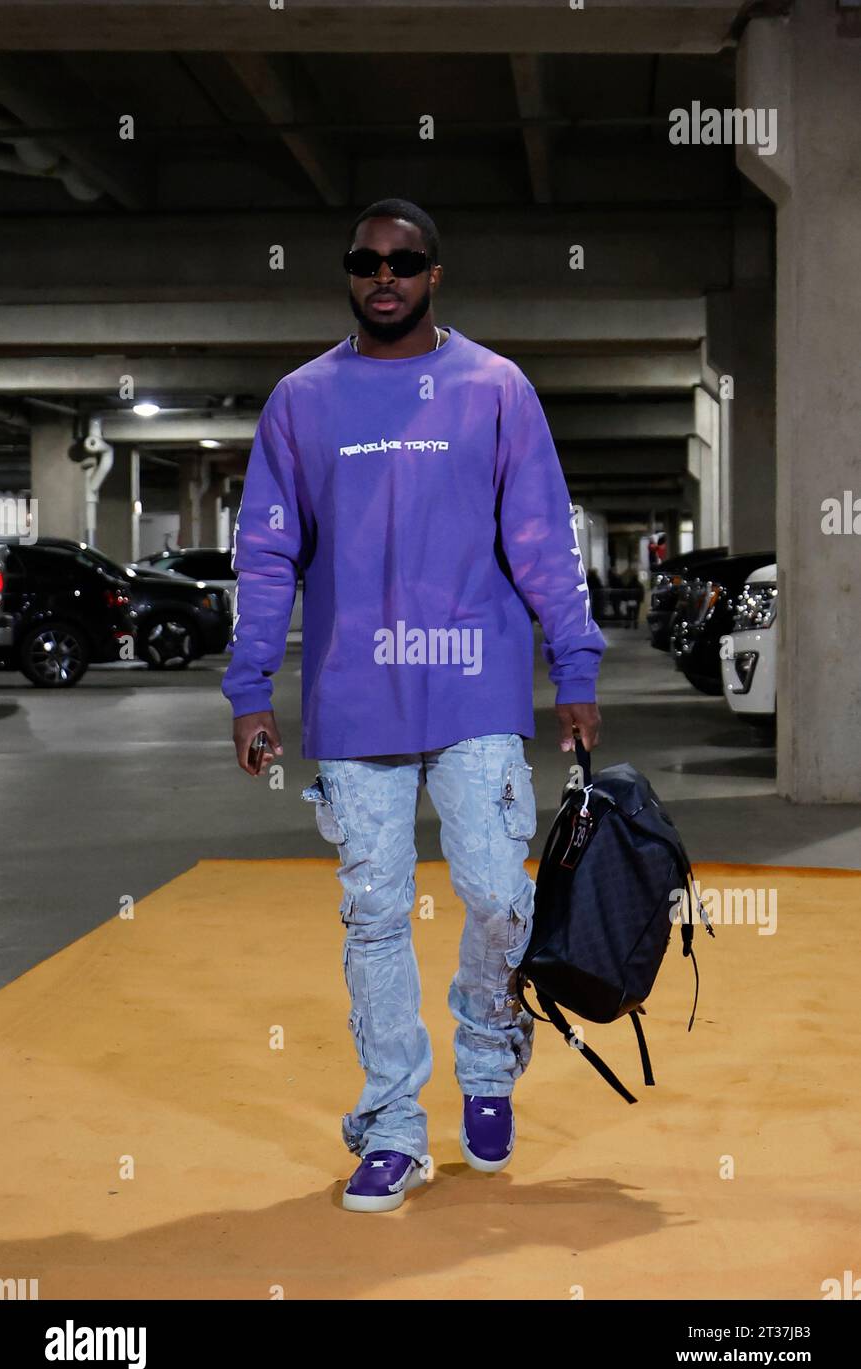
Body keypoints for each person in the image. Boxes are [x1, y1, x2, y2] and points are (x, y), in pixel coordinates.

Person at [222, 197, 606, 1213]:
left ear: (435, 272)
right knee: (375, 915)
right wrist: (249, 687)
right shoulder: (302, 401)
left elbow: (538, 537)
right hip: (353, 700)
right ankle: (393, 1123)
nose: (381, 275)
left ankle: (486, 1051)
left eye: (403, 260)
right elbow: (264, 554)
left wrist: (573, 665)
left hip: (474, 682)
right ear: (346, 273)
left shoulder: (492, 388)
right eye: (364, 260)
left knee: (498, 892)